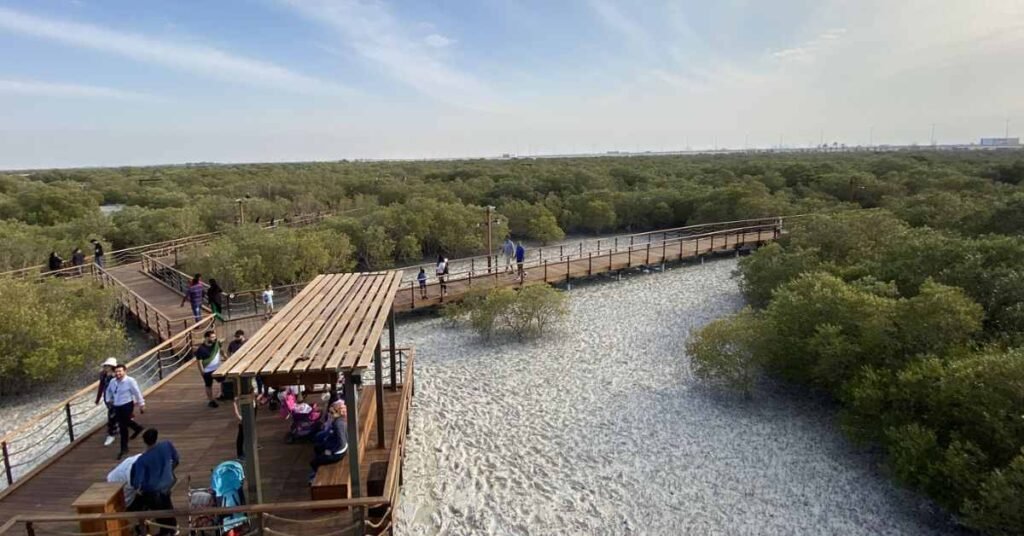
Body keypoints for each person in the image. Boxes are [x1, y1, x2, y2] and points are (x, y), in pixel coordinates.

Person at [130, 429, 179, 536]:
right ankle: (173, 529)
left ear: (144, 442)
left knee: (159, 512)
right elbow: (176, 459)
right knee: (168, 506)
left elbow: (137, 482)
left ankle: (163, 531)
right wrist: (169, 470)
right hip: (168, 483)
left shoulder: (142, 460)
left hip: (153, 491)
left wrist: (137, 488)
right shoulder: (167, 445)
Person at [104, 364, 145, 460]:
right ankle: (137, 428)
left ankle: (124, 448)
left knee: (123, 426)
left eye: (120, 371)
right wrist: (108, 399)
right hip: (117, 405)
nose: (118, 373)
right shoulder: (113, 382)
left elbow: (137, 392)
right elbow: (108, 391)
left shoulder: (130, 381)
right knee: (124, 423)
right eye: (116, 372)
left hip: (127, 404)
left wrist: (141, 404)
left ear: (125, 371)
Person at [308, 400, 348, 482]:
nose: (329, 414)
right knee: (317, 448)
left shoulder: (338, 424)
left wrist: (330, 451)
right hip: (336, 447)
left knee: (314, 462)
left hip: (337, 453)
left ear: (337, 413)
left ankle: (315, 477)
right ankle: (320, 462)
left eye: (331, 412)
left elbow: (341, 442)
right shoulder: (339, 420)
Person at [194, 330, 223, 408]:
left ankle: (222, 394)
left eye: (214, 337)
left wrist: (226, 358)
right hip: (207, 371)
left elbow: (221, 351)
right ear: (207, 338)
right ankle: (211, 400)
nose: (214, 338)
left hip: (218, 368)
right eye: (212, 337)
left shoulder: (217, 344)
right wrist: (202, 371)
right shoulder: (201, 349)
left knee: (224, 380)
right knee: (208, 385)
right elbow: (199, 361)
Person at [95, 357, 119, 447]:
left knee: (112, 415)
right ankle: (115, 429)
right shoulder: (103, 375)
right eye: (105, 366)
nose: (106, 367)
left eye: (107, 366)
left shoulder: (116, 375)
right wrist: (98, 398)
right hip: (107, 398)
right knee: (114, 414)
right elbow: (101, 386)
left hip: (116, 398)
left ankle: (111, 434)